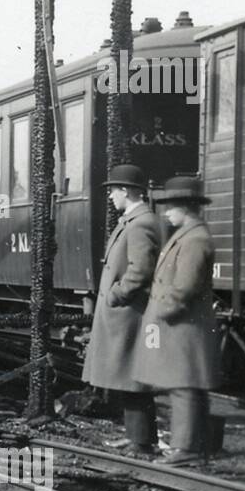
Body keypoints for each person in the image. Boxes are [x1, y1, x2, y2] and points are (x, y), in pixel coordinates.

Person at [134, 176, 222, 466]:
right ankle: (193, 448)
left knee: (184, 386)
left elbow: (185, 286)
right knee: (186, 386)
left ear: (185, 206)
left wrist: (160, 312)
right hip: (183, 326)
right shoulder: (189, 234)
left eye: (170, 206)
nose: (166, 211)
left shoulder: (195, 239)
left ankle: (186, 449)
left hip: (184, 325)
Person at [81, 164, 161, 457]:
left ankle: (141, 442)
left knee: (133, 376)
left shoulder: (141, 223)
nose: (111, 196)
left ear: (126, 191)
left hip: (129, 314)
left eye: (113, 190)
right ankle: (137, 437)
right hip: (124, 314)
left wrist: (117, 294)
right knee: (128, 377)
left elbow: (140, 270)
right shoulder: (134, 221)